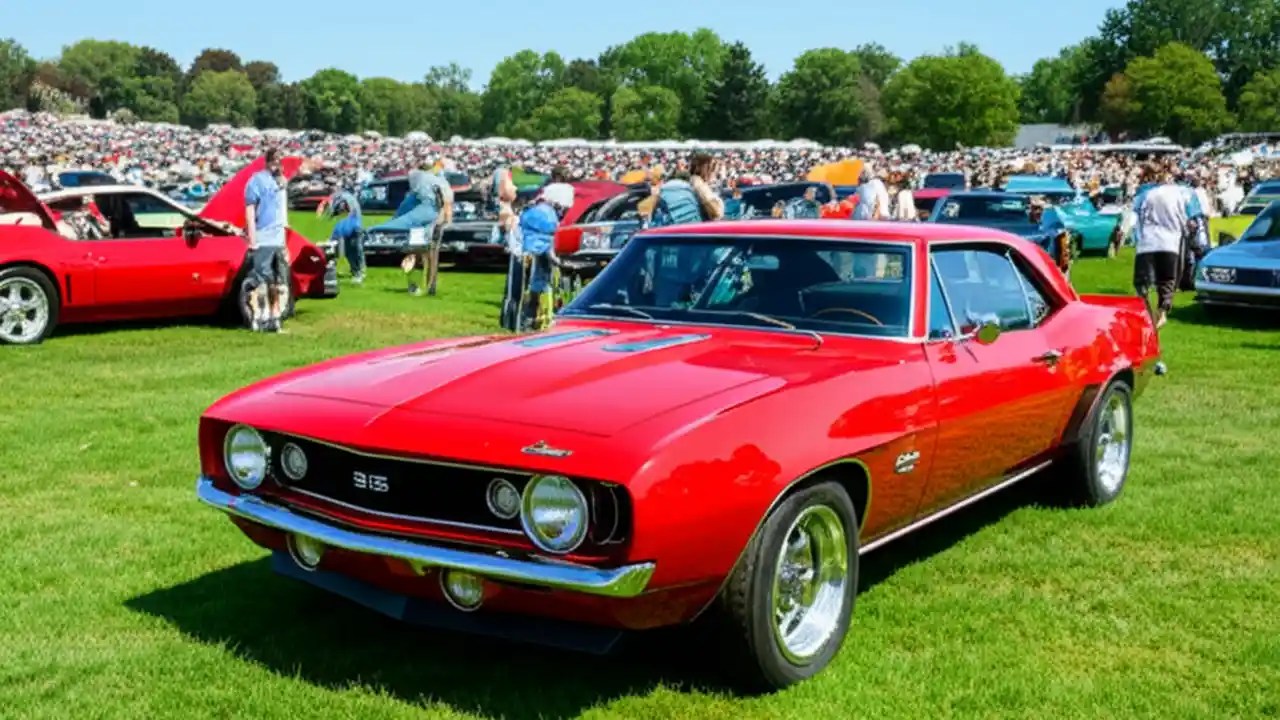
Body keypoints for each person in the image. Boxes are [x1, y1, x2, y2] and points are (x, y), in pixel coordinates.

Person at [365, 163, 454, 296]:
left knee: (416, 254)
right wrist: (446, 221)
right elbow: (447, 205)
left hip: (423, 222)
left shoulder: (418, 179)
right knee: (432, 256)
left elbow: (409, 204)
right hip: (437, 221)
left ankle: (414, 286)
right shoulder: (442, 182)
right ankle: (431, 287)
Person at [1132, 167, 1193, 329]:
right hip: (1169, 242)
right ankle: (1162, 312)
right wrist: (1185, 232)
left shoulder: (1146, 194)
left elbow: (1137, 215)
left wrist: (1136, 237)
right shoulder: (1181, 194)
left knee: (1142, 283)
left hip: (1148, 242)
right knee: (1166, 280)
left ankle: (1147, 312)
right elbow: (1184, 216)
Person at [243, 148, 290, 332]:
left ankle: (275, 317)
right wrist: (253, 240)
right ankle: (259, 317)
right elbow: (250, 210)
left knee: (277, 283)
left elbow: (283, 214)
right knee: (262, 281)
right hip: (263, 238)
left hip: (278, 239)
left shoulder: (282, 183)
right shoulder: (256, 181)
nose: (277, 163)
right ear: (268, 161)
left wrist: (285, 241)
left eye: (280, 159)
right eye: (275, 159)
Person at [317, 187, 364, 285]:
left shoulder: (344, 198)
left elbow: (344, 211)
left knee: (355, 250)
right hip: (349, 227)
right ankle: (355, 271)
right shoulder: (340, 198)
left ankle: (359, 272)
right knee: (349, 251)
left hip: (355, 227)